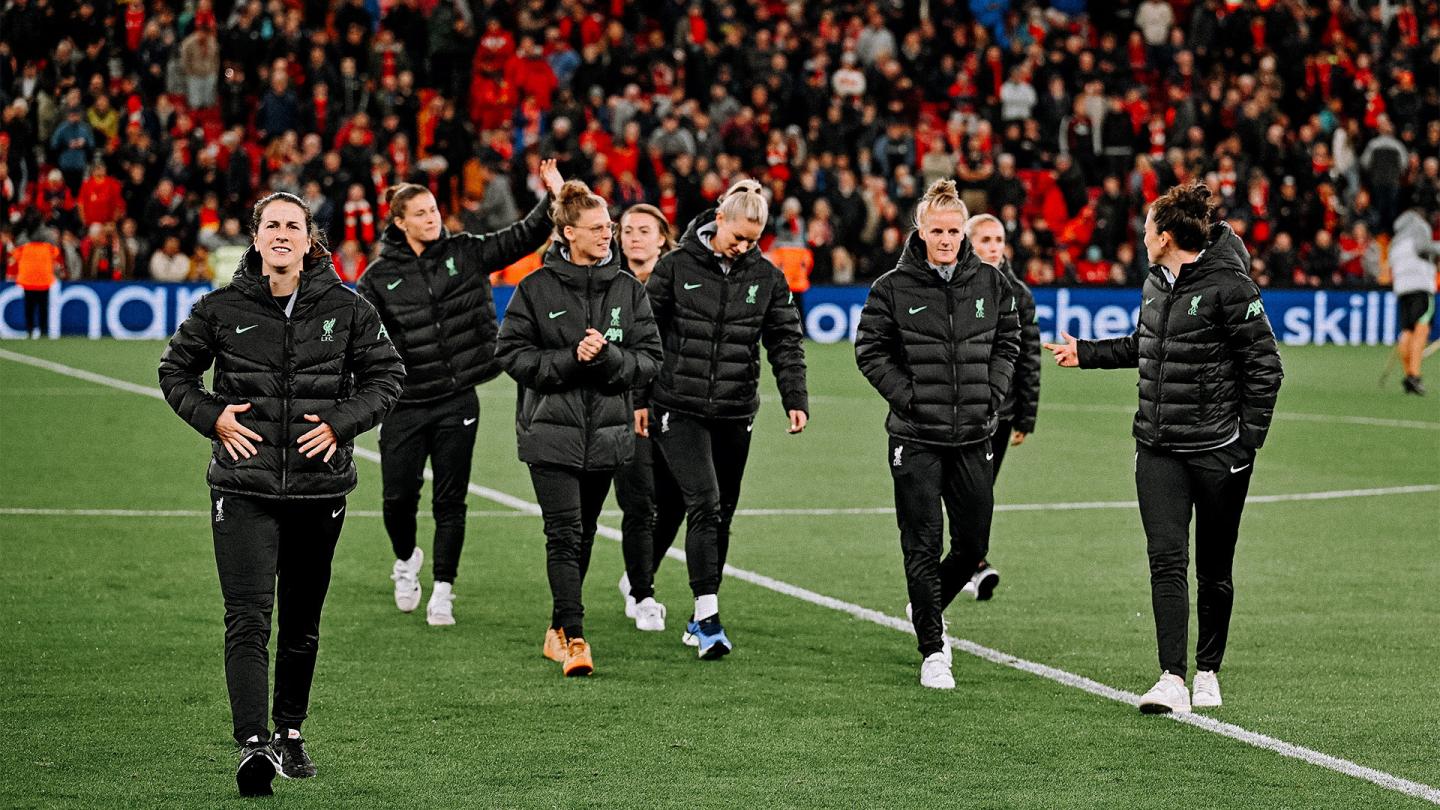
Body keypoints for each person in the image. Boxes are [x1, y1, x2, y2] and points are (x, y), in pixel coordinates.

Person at [158, 192, 403, 796]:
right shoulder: (221, 306)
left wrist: (342, 423)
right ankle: (251, 746)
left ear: (308, 237)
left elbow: (388, 376)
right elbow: (174, 370)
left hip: (320, 490)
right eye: (272, 225)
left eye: (293, 225)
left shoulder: (347, 307)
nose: (282, 234)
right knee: (247, 617)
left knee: (301, 620)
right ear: (257, 237)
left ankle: (290, 730)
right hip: (242, 487)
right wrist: (213, 417)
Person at [1043, 183, 1283, 713]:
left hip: (1220, 453)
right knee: (1165, 559)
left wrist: (1246, 445)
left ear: (1167, 236)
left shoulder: (1231, 286)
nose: (1142, 235)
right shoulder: (1154, 281)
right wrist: (1086, 353)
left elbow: (1267, 369)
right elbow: (1144, 345)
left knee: (1214, 571)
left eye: (1148, 227)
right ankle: (1172, 677)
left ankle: (1208, 670)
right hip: (1156, 446)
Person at [357, 160, 563, 626]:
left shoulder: (465, 251)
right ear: (399, 222)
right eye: (422, 213)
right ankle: (407, 560)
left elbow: (522, 237)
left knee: (450, 500)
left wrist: (552, 197)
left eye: (434, 211)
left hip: (456, 398)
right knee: (397, 500)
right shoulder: (377, 277)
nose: (432, 219)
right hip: (405, 403)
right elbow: (364, 342)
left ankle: (444, 590)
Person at [854, 180, 1021, 690]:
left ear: (963, 231)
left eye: (953, 230)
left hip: (974, 435)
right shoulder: (891, 288)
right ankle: (933, 650)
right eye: (937, 231)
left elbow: (1009, 342)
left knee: (971, 546)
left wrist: (992, 394)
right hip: (916, 437)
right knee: (922, 544)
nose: (946, 239)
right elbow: (870, 352)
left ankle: (924, 602)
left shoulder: (992, 285)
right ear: (920, 231)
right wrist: (910, 398)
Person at [495, 180, 662, 676]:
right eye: (597, 227)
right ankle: (575, 637)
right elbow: (511, 354)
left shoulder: (628, 290)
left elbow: (651, 359)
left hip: (608, 435)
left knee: (584, 532)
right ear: (568, 233)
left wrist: (609, 358)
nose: (608, 233)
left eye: (609, 225)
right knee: (564, 533)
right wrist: (569, 360)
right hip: (550, 433)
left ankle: (555, 628)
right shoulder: (535, 288)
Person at [645, 178, 809, 660]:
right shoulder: (674, 266)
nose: (743, 247)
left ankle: (688, 607)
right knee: (706, 503)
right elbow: (645, 334)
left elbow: (785, 340)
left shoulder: (767, 277)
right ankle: (707, 617)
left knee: (721, 514)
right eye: (737, 237)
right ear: (719, 220)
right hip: (679, 405)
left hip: (736, 410)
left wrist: (794, 396)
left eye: (753, 241)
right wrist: (639, 400)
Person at [963, 212, 1042, 600]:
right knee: (967, 491)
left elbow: (1029, 358)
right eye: (986, 240)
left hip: (1001, 413)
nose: (994, 247)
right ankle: (969, 561)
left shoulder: (1019, 294)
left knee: (981, 491)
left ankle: (973, 563)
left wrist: (1027, 413)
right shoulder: (956, 288)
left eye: (998, 240)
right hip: (961, 411)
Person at [611, 204, 676, 632]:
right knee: (638, 502)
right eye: (628, 230)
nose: (634, 237)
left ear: (662, 239)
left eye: (644, 230)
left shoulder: (682, 283)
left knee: (677, 500)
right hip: (620, 409)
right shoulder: (608, 285)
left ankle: (639, 571)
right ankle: (643, 592)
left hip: (675, 407)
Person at [1388, 196, 1439, 396]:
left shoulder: (1395, 240)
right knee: (1421, 330)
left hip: (1402, 288)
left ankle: (1409, 374)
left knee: (1407, 331)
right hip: (1420, 286)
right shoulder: (1419, 227)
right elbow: (1424, 248)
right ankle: (1414, 375)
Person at [11, 229, 61, 338]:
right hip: (43, 282)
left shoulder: (24, 248)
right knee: (43, 308)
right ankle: (43, 331)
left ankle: (30, 329)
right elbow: (56, 253)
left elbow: (15, 255)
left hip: (28, 282)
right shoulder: (48, 248)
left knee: (30, 308)